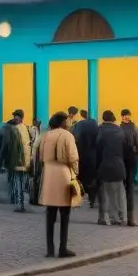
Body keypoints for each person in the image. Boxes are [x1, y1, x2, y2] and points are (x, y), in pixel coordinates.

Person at [38, 111, 81, 258]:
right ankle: (63, 248)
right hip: (63, 174)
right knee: (65, 214)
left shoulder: (46, 135)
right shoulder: (67, 135)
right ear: (63, 122)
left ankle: (50, 249)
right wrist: (75, 172)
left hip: (49, 174)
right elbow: (73, 157)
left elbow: (39, 156)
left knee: (50, 214)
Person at [96, 111, 129, 226]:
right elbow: (126, 148)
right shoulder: (120, 130)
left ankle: (109, 218)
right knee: (120, 193)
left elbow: (97, 149)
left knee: (106, 193)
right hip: (119, 165)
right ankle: (123, 218)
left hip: (105, 165)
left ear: (103, 118)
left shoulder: (100, 130)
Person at [72, 109, 100, 209]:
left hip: (81, 155)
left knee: (82, 178)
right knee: (93, 177)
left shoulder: (78, 125)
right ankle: (93, 199)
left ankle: (81, 198)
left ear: (80, 115)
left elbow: (75, 139)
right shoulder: (94, 124)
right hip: (93, 156)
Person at [120, 109, 138, 227]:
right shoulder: (135, 129)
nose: (125, 117)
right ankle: (130, 219)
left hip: (123, 159)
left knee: (123, 188)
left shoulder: (119, 129)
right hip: (132, 159)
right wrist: (137, 154)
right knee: (129, 188)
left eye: (126, 115)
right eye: (124, 115)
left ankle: (124, 216)